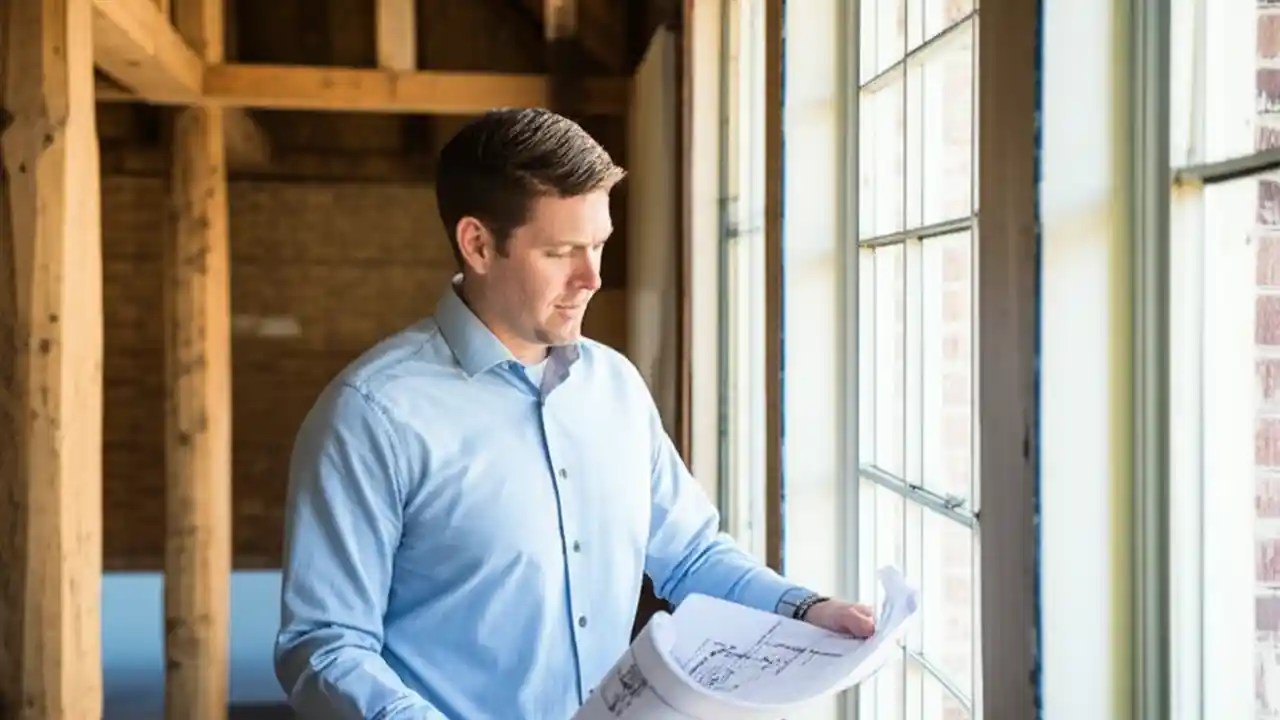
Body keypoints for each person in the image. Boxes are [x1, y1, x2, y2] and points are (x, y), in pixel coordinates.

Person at [273, 107, 875, 720]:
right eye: (561, 252)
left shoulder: (616, 387)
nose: (592, 278)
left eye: (599, 246)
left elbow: (691, 555)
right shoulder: (372, 416)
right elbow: (325, 646)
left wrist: (807, 612)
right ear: (478, 244)